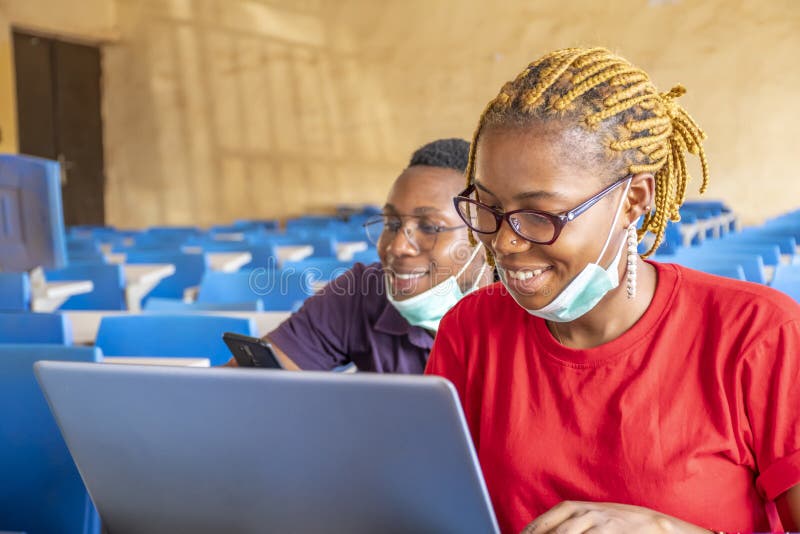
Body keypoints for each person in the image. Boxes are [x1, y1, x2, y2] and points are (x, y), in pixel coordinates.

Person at [426, 47, 800, 533]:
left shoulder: (759, 334)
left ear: (633, 201)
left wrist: (669, 530)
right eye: (488, 208)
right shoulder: (472, 329)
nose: (505, 241)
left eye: (541, 215)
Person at [226, 138, 490, 372]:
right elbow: (251, 384)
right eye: (392, 223)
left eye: (430, 227)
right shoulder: (360, 294)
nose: (397, 247)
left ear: (482, 237)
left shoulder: (521, 316)